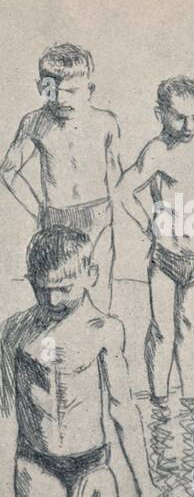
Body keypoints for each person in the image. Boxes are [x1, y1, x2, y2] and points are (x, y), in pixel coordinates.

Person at [0, 227, 159, 497]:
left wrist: (145, 483)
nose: (53, 299)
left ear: (91, 273)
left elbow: (124, 409)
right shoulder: (15, 332)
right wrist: (3, 486)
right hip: (36, 464)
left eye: (64, 287)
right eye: (43, 288)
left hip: (91, 463)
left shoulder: (104, 330)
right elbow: (5, 410)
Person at [119, 76, 194, 399]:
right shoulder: (156, 151)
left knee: (188, 324)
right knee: (163, 329)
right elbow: (124, 190)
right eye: (179, 117)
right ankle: (159, 396)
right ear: (160, 114)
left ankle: (190, 391)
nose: (187, 125)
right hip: (166, 257)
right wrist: (148, 223)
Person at [1, 44, 131, 311]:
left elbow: (117, 179)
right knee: (56, 297)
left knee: (98, 294)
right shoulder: (34, 122)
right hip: (56, 218)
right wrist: (38, 207)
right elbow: (8, 170)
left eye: (71, 91)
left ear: (89, 90)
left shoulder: (106, 122)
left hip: (98, 217)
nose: (61, 99)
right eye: (51, 90)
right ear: (41, 87)